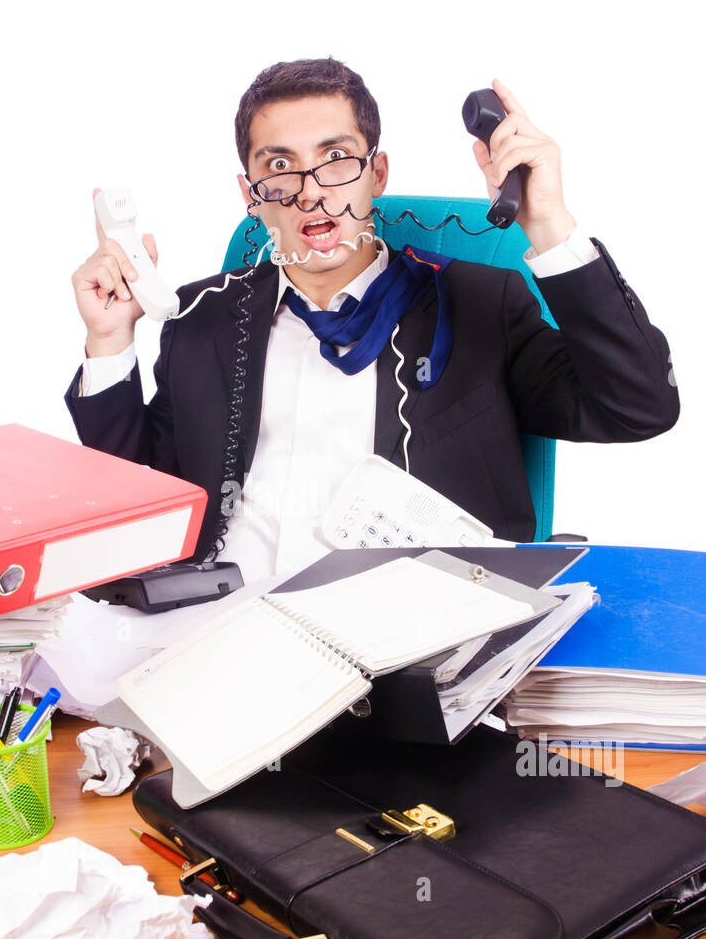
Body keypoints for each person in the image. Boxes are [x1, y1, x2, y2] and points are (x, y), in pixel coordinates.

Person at [65, 58, 679, 579]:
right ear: (251, 196)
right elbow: (142, 505)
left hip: (407, 653)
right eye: (279, 167)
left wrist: (548, 224)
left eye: (336, 158)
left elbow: (637, 406)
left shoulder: (480, 304)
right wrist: (110, 342)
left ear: (377, 175)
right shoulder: (201, 317)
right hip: (217, 633)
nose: (310, 191)